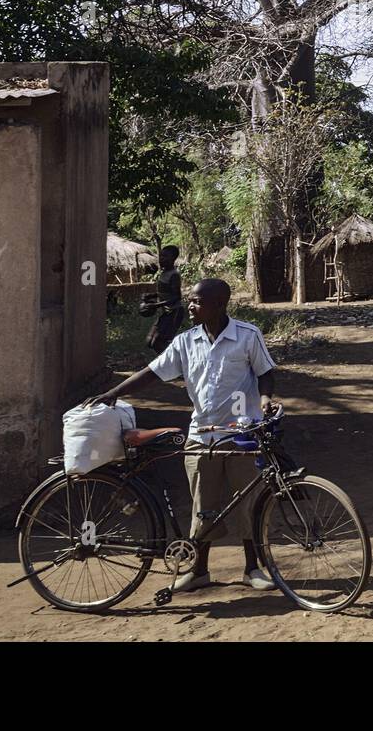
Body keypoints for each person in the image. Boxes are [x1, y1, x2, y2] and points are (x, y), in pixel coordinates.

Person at [93, 277, 278, 593]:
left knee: (248, 503)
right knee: (203, 506)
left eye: (196, 301)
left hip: (240, 434)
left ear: (218, 304)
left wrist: (265, 399)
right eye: (191, 300)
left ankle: (252, 568)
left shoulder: (248, 335)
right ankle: (200, 571)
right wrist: (113, 392)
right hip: (201, 436)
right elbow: (152, 372)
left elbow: (266, 372)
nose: (190, 306)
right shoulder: (185, 341)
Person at [139, 245, 185, 352]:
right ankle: (167, 363)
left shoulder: (174, 275)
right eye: (160, 256)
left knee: (158, 343)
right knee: (149, 341)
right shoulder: (164, 273)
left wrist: (155, 305)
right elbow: (164, 292)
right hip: (166, 313)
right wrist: (152, 296)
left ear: (173, 258)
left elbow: (177, 297)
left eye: (165, 256)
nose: (161, 259)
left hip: (174, 312)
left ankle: (173, 364)